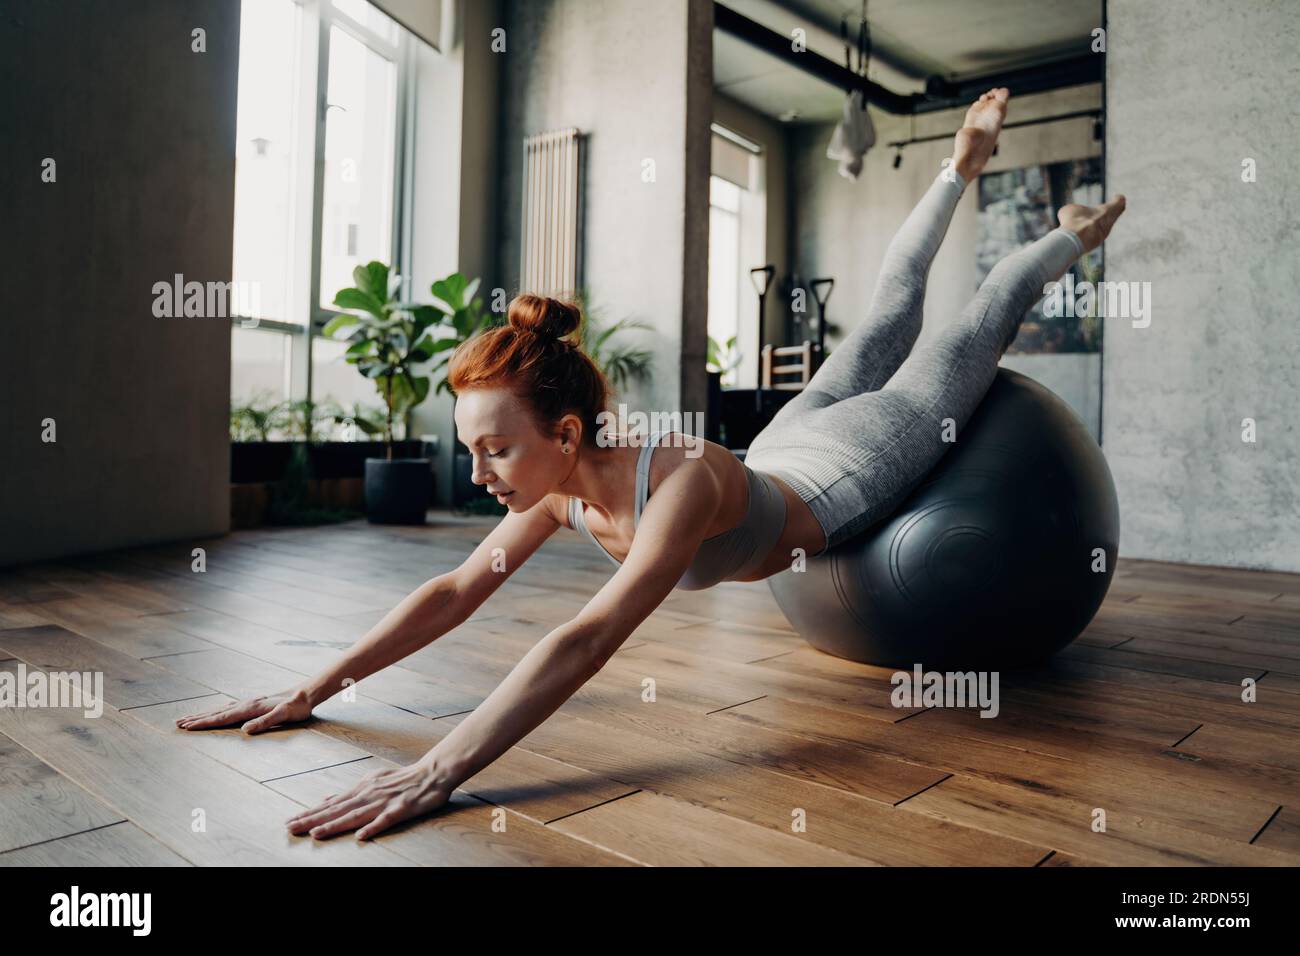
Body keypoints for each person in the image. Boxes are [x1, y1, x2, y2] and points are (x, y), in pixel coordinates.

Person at [175, 88, 1125, 841]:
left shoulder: (677, 484)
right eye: (471, 450)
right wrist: (314, 687)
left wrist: (443, 766)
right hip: (788, 440)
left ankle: (1069, 224)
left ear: (569, 437)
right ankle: (961, 166)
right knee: (882, 316)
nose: (481, 476)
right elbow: (456, 589)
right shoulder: (556, 497)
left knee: (984, 303)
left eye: (496, 448)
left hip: (849, 471)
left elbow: (585, 641)